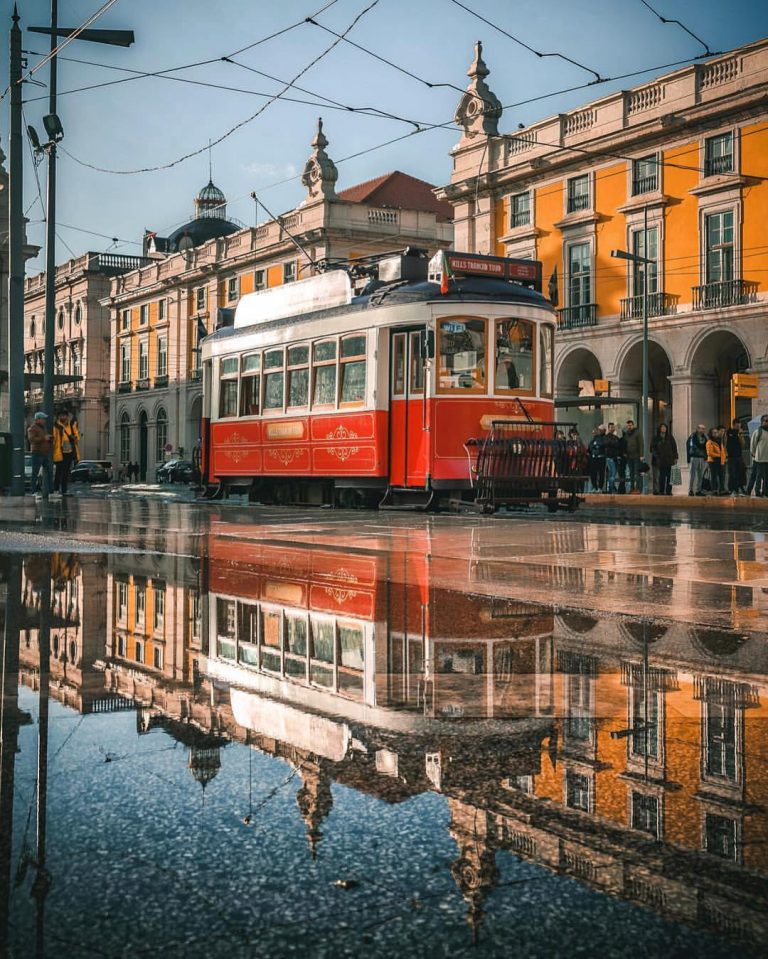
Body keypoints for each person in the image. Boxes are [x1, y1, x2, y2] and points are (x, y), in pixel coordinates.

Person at [52, 409, 80, 497]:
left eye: (64, 416)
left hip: (69, 452)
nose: (62, 417)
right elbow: (54, 439)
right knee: (58, 472)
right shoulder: (56, 426)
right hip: (60, 453)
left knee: (66, 472)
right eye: (60, 416)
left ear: (67, 417)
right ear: (58, 417)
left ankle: (64, 490)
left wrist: (74, 437)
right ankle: (56, 490)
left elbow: (77, 437)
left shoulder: (71, 426)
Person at [26, 411, 53, 498]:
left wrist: (48, 438)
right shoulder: (32, 428)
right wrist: (44, 438)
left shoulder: (42, 428)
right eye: (43, 418)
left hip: (44, 453)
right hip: (37, 453)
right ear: (38, 419)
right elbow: (31, 439)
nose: (45, 420)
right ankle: (34, 492)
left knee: (49, 472)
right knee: (35, 473)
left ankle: (51, 492)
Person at [650, 424, 678, 495]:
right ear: (659, 428)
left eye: (664, 427)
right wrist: (657, 456)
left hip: (669, 459)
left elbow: (674, 447)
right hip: (660, 460)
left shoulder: (670, 437)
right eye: (662, 427)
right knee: (661, 476)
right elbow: (652, 448)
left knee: (669, 476)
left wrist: (676, 457)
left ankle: (669, 491)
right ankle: (661, 490)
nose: (663, 429)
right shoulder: (656, 438)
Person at [725, 419, 747, 494]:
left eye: (739, 425)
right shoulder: (728, 432)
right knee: (732, 473)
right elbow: (724, 443)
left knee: (741, 472)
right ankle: (732, 488)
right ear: (734, 424)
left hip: (739, 456)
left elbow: (743, 444)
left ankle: (740, 486)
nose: (739, 427)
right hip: (731, 456)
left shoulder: (739, 433)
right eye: (737, 425)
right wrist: (726, 454)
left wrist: (740, 435)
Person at [686, 423, 708, 496]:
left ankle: (698, 490)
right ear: (697, 429)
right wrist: (688, 458)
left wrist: (705, 456)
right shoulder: (693, 436)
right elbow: (690, 446)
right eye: (701, 428)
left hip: (701, 458)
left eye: (704, 429)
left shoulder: (704, 437)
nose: (703, 430)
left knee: (700, 475)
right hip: (694, 457)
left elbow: (706, 447)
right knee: (692, 475)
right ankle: (690, 490)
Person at [749, 414, 768, 497]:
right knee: (759, 476)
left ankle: (766, 491)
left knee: (766, 478)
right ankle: (757, 491)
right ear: (762, 422)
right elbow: (753, 444)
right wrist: (753, 454)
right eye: (766, 421)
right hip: (760, 458)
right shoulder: (758, 432)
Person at [623, 419, 644, 493]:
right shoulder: (626, 434)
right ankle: (632, 488)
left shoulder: (637, 433)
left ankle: (638, 488)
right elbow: (625, 444)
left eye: (630, 425)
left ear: (633, 425)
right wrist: (624, 453)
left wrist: (641, 455)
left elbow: (641, 444)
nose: (629, 427)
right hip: (629, 456)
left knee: (637, 472)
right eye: (628, 425)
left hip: (636, 456)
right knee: (631, 473)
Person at [705, 427, 727, 495]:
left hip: (721, 461)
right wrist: (719, 455)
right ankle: (714, 490)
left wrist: (724, 457)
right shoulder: (709, 442)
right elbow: (710, 453)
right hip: (713, 461)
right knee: (714, 476)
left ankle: (721, 490)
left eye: (716, 432)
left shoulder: (719, 440)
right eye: (714, 433)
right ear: (711, 434)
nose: (716, 434)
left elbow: (722, 450)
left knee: (721, 476)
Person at [588, 424, 607, 492]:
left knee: (601, 473)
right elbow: (590, 446)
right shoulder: (594, 439)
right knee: (593, 473)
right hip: (594, 458)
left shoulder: (604, 438)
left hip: (601, 457)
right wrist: (595, 445)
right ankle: (594, 487)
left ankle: (600, 487)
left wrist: (596, 445)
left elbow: (602, 444)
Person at [603, 423, 620, 493]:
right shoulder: (607, 437)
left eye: (613, 427)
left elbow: (618, 444)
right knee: (612, 473)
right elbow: (610, 443)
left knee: (613, 473)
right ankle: (611, 488)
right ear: (608, 428)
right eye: (611, 427)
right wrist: (615, 441)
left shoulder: (615, 437)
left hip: (614, 457)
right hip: (609, 457)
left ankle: (611, 487)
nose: (612, 429)